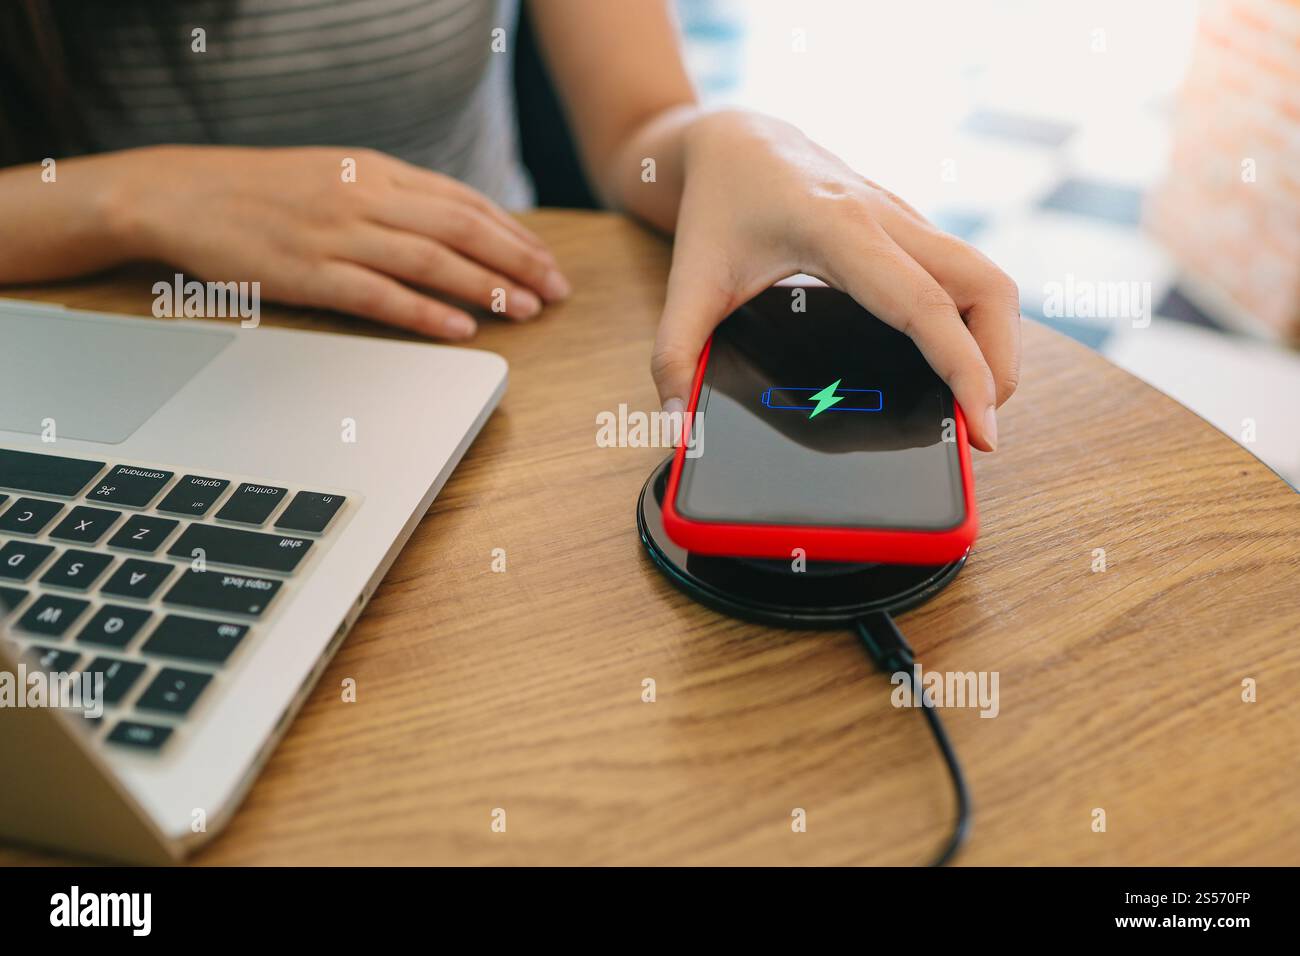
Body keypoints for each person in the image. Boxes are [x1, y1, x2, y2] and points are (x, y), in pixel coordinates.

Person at [0, 0, 1018, 450]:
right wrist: (133, 196)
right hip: (76, 354)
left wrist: (738, 141)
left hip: (487, 341)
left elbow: (638, 126)